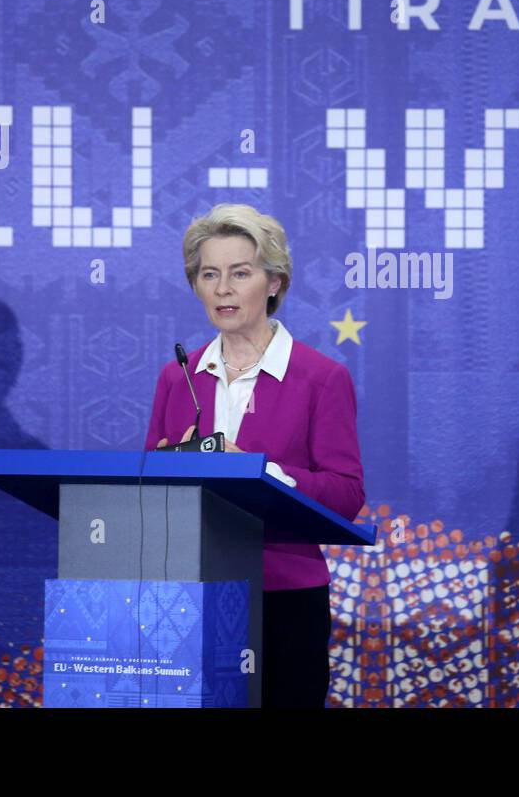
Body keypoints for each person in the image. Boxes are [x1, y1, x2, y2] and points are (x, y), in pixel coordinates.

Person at [144, 203, 365, 708]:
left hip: (284, 598)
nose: (222, 288)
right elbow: (150, 493)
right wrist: (159, 471)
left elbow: (347, 494)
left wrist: (258, 471)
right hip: (188, 596)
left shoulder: (322, 378)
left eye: (240, 273)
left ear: (273, 283)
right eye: (209, 274)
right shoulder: (176, 377)